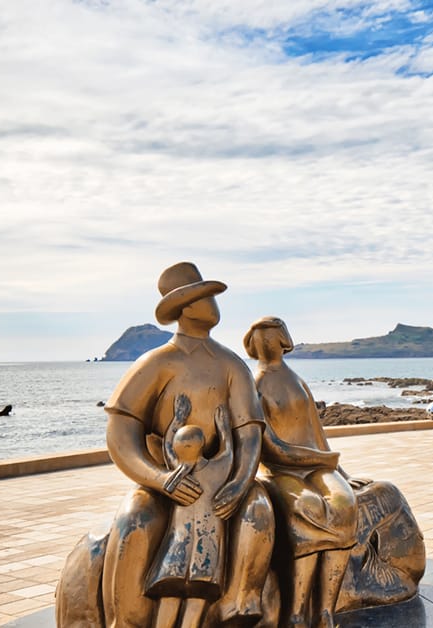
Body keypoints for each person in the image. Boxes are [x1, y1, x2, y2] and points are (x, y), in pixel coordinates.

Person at [101, 262, 274, 628]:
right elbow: (120, 431)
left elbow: (248, 431)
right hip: (165, 480)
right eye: (205, 296)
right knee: (134, 520)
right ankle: (127, 619)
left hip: (220, 478)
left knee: (258, 509)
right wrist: (160, 479)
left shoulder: (231, 365)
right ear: (186, 307)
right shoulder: (156, 363)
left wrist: (241, 480)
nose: (213, 303)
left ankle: (240, 606)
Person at [244, 316, 359, 628]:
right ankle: (295, 613)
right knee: (306, 507)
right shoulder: (254, 385)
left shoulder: (296, 380)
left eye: (272, 335)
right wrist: (320, 458)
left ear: (283, 340)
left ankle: (325, 611)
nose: (268, 342)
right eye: (262, 337)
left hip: (317, 466)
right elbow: (269, 446)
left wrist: (342, 473)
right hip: (281, 471)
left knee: (344, 504)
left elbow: (317, 432)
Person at [144, 402, 234, 628]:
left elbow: (166, 445)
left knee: (169, 596)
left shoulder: (176, 472)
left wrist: (178, 418)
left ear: (178, 448)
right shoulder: (218, 470)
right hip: (207, 556)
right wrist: (223, 429)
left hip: (176, 553)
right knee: (197, 600)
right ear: (202, 444)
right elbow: (229, 451)